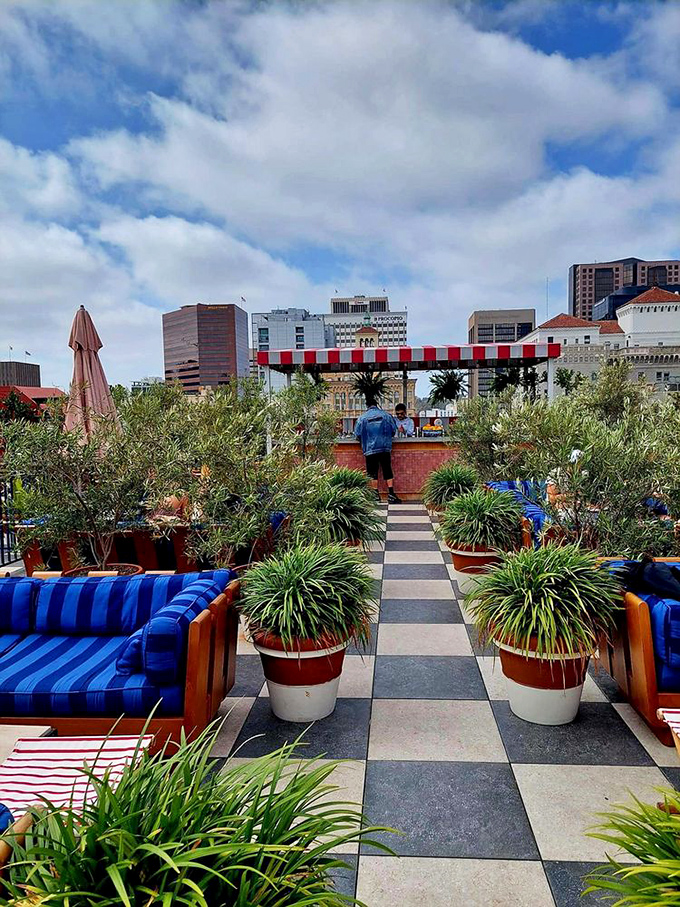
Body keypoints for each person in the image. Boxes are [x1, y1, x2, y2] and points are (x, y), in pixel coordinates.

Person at [354, 398, 402, 503]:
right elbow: (394, 431)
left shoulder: (362, 418)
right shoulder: (387, 416)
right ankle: (391, 494)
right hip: (385, 447)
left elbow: (357, 434)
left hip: (370, 449)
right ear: (377, 405)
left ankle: (375, 495)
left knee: (372, 472)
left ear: (367, 406)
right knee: (387, 470)